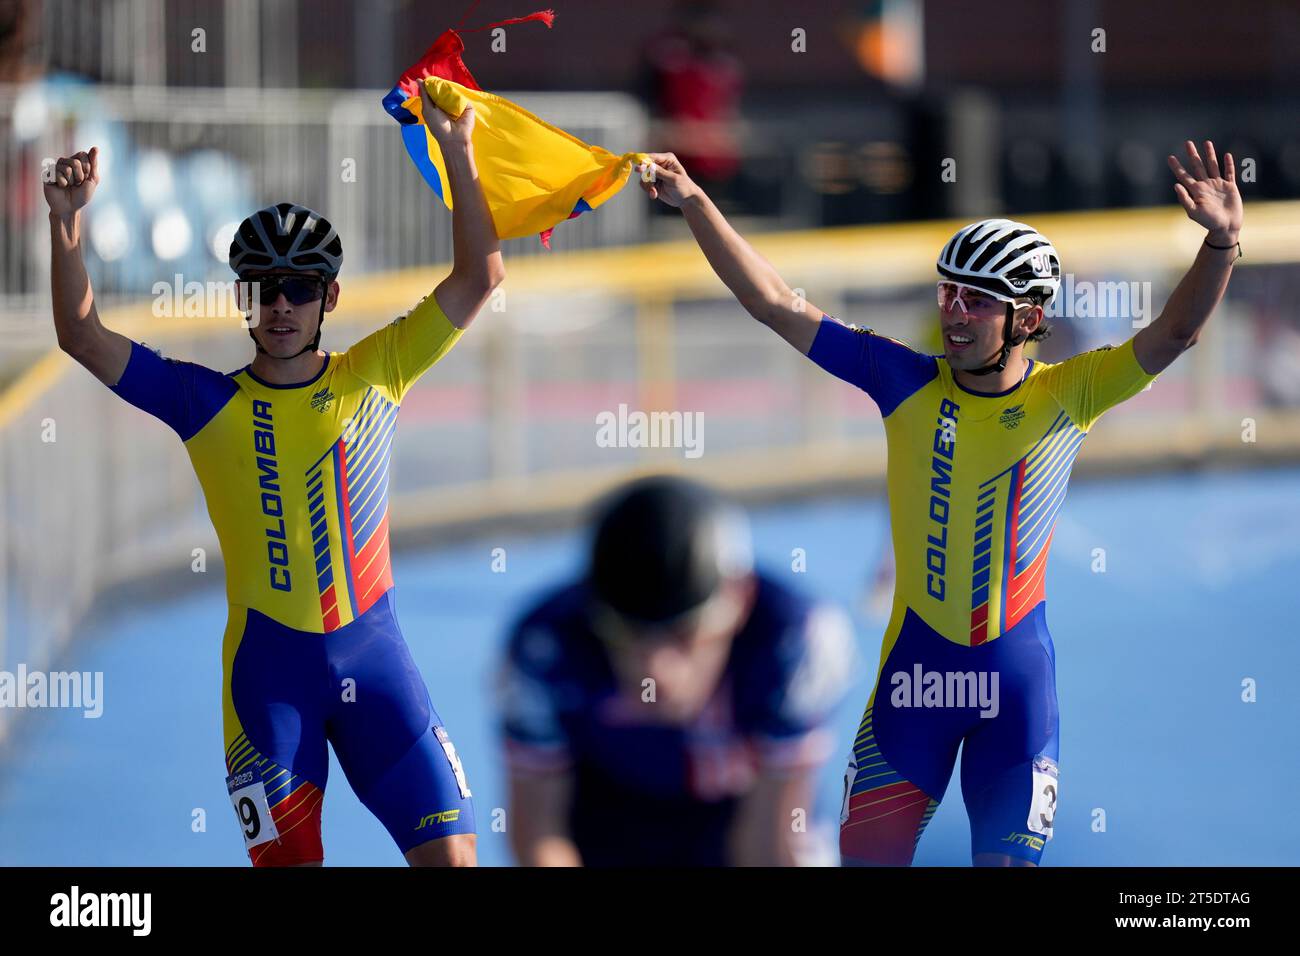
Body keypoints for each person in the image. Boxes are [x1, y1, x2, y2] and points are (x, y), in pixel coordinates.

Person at [637, 140, 1242, 866]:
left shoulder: (1069, 393)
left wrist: (1222, 241)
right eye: (947, 291)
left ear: (1027, 317)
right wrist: (696, 202)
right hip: (911, 690)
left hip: (1015, 702)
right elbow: (773, 303)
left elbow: (1176, 332)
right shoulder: (904, 380)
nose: (954, 311)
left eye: (977, 299)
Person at [45, 83, 503, 866]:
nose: (280, 306)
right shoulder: (203, 400)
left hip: (378, 664)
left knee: (455, 862)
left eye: (297, 289)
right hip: (268, 684)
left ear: (328, 296)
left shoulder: (377, 370)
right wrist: (67, 222)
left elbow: (480, 276)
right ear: (242, 300)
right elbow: (81, 336)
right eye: (263, 289)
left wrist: (457, 152)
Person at [498, 475, 855, 866]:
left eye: (685, 635)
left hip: (741, 813)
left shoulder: (798, 643)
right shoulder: (544, 646)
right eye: (627, 634)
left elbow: (771, 840)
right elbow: (541, 833)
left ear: (738, 602)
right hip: (609, 825)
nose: (657, 670)